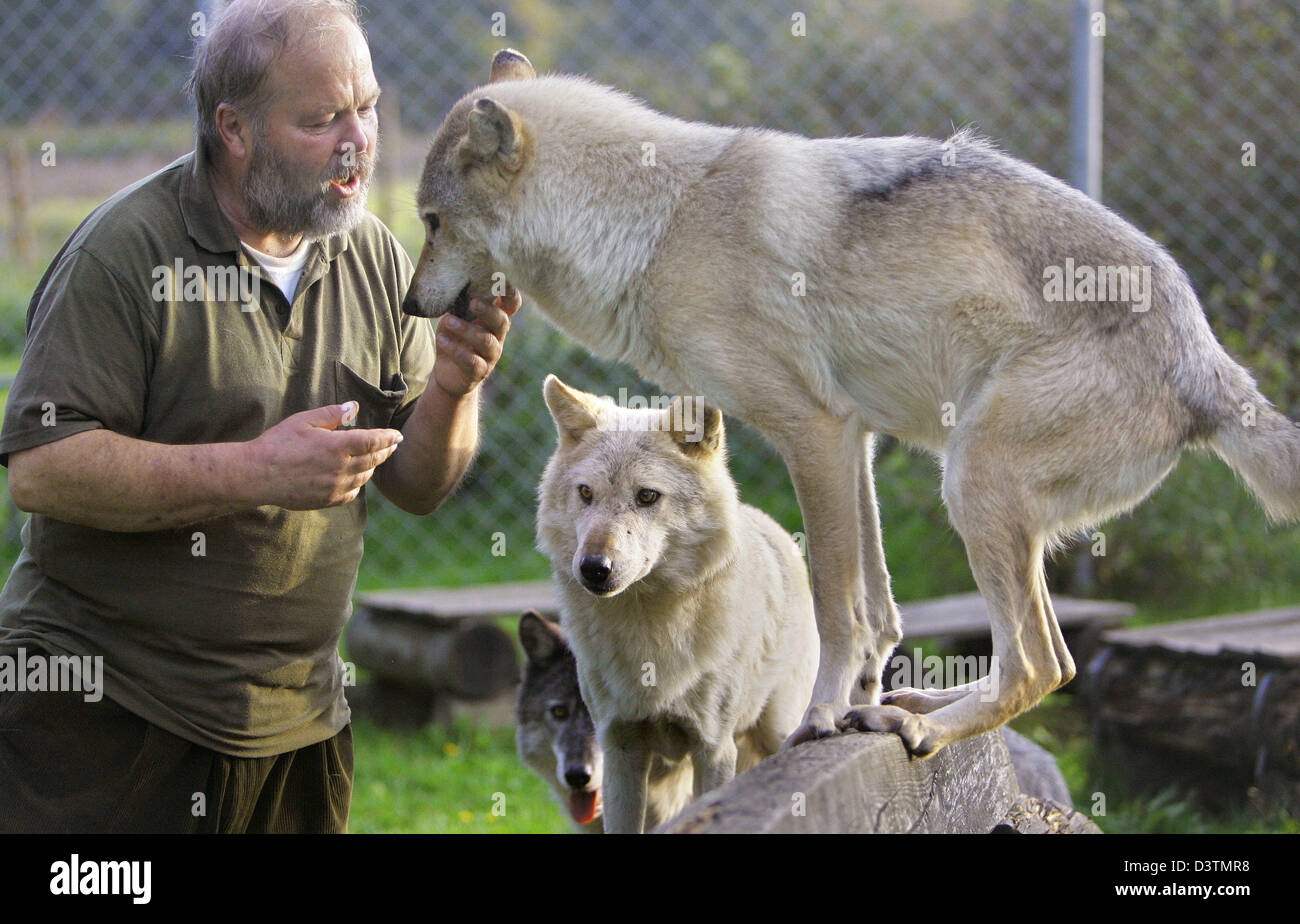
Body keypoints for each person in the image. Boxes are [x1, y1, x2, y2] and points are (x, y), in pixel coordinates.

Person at [0, 0, 518, 832]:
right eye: (321, 119)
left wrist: (456, 385)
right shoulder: (124, 253)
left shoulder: (372, 255)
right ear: (233, 129)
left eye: (369, 107)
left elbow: (420, 486)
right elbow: (43, 469)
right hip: (108, 718)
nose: (357, 140)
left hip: (298, 726)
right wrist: (258, 471)